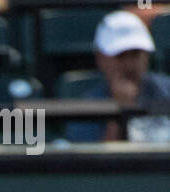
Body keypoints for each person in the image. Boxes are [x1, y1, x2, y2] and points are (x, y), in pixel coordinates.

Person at [64, 10, 170, 144]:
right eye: (121, 56)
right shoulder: (86, 110)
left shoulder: (166, 91)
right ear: (100, 58)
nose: (129, 64)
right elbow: (96, 163)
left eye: (135, 54)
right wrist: (121, 109)